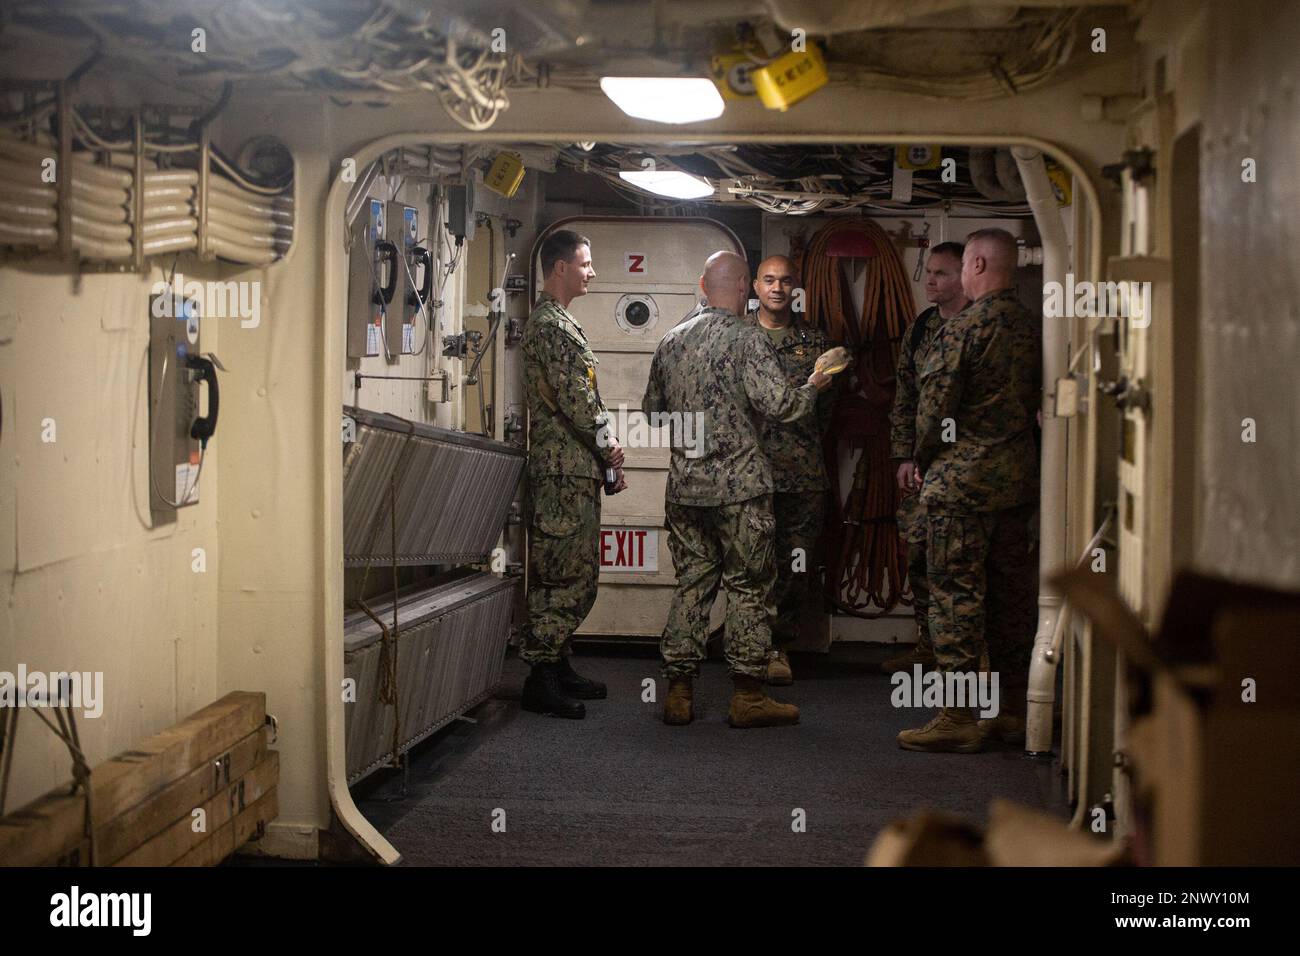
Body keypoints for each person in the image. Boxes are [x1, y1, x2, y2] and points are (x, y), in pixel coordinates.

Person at [642, 251, 833, 727]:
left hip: (686, 491)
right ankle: (747, 696)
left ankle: (679, 692)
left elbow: (651, 414)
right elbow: (783, 407)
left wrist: (695, 439)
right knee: (748, 588)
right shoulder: (749, 340)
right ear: (746, 286)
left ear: (702, 287)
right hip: (740, 491)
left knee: (692, 586)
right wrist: (814, 385)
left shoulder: (671, 340)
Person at [897, 228, 1041, 752]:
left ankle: (957, 716)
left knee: (955, 600)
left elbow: (934, 413)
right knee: (1011, 603)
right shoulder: (1028, 325)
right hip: (1017, 485)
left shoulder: (964, 329)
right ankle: (1013, 711)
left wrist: (921, 459)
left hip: (961, 490)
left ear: (975, 265)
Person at [519, 230, 626, 720]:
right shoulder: (552, 328)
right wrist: (610, 448)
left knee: (575, 571)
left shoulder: (560, 324)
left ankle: (558, 663)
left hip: (573, 471)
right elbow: (579, 403)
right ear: (560, 268)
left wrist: (602, 458)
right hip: (562, 474)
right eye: (585, 264)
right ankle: (541, 677)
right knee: (562, 577)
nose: (592, 272)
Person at [746, 255, 836, 685]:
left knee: (796, 565)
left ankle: (779, 647)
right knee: (753, 564)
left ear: (794, 287)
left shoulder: (814, 342)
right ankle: (750, 646)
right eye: (768, 280)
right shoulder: (737, 337)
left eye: (784, 281)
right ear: (755, 285)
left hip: (801, 475)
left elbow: (827, 410)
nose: (777, 288)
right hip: (750, 475)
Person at [884, 242, 970, 675]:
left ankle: (964, 659)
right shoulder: (921, 329)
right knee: (918, 554)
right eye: (929, 272)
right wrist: (903, 455)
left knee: (958, 565)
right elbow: (905, 397)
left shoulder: (978, 326)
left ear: (965, 276)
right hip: (922, 468)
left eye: (941, 273)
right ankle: (927, 645)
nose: (930, 281)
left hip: (966, 469)